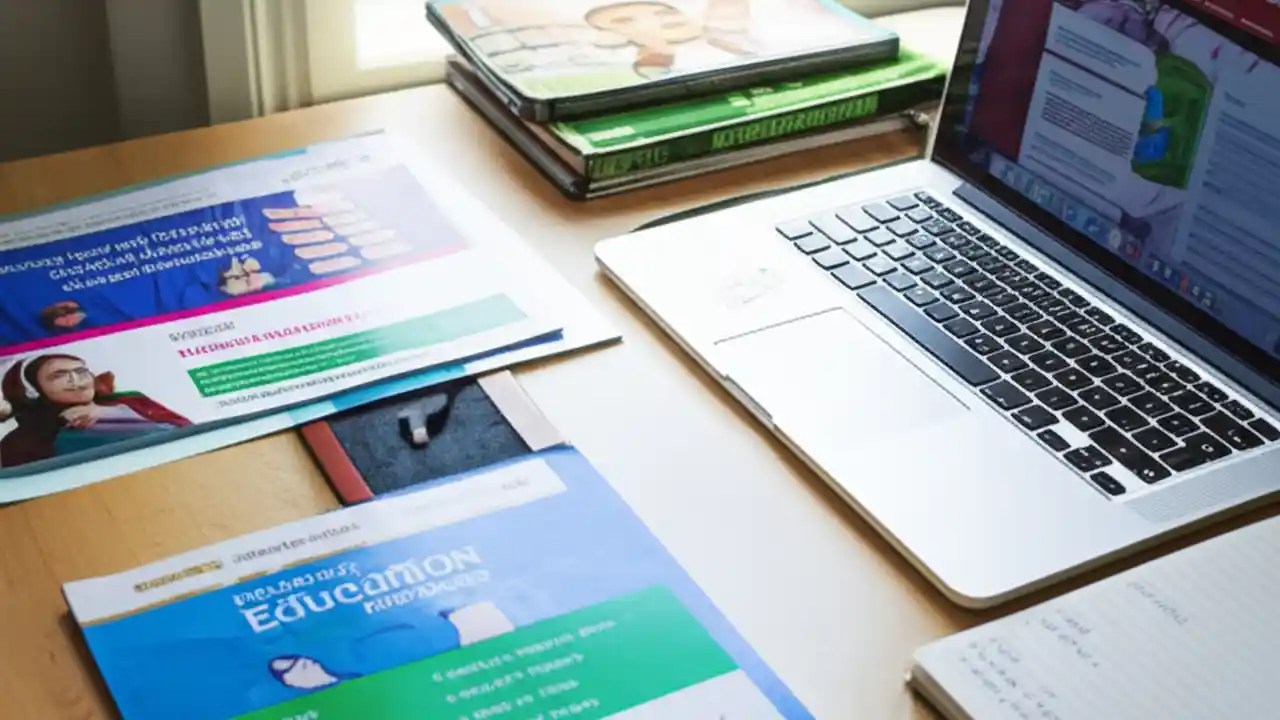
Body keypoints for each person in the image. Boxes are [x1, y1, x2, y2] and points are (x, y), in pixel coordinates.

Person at [0, 355, 190, 468]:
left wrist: (115, 415)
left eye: (81, 372)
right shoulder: (19, 442)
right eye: (59, 376)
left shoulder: (129, 401)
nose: (76, 380)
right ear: (32, 390)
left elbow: (186, 435)